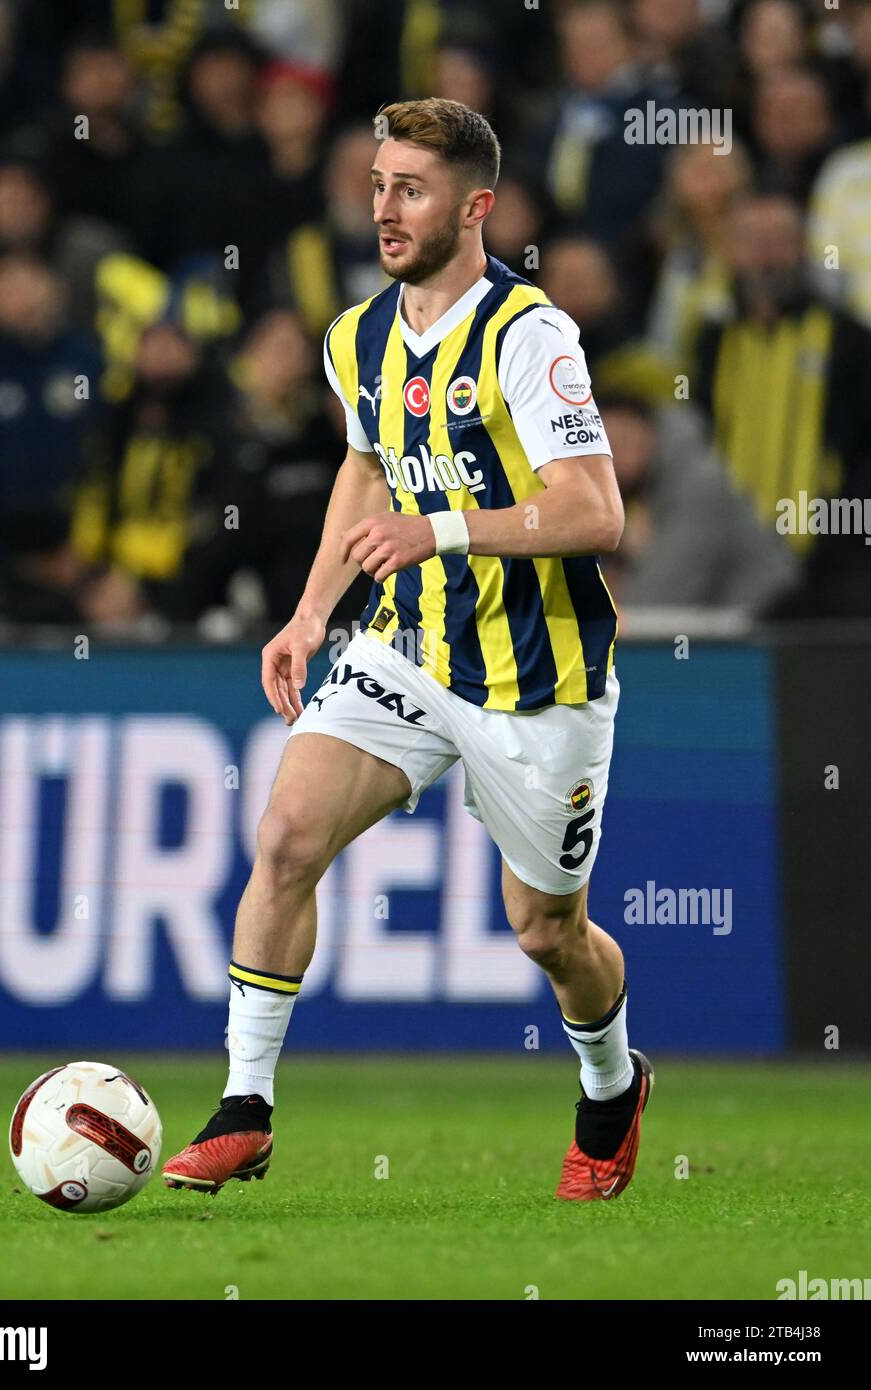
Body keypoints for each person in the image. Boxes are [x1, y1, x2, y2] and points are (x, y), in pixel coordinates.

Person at [162, 98, 653, 1205]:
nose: (385, 208)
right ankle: (245, 1106)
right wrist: (308, 609)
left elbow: (595, 511)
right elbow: (370, 466)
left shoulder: (531, 336)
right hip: (409, 650)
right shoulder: (356, 337)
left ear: (475, 207)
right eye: (379, 183)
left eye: (411, 189)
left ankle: (611, 1082)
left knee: (548, 931)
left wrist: (442, 529)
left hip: (540, 681)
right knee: (286, 834)